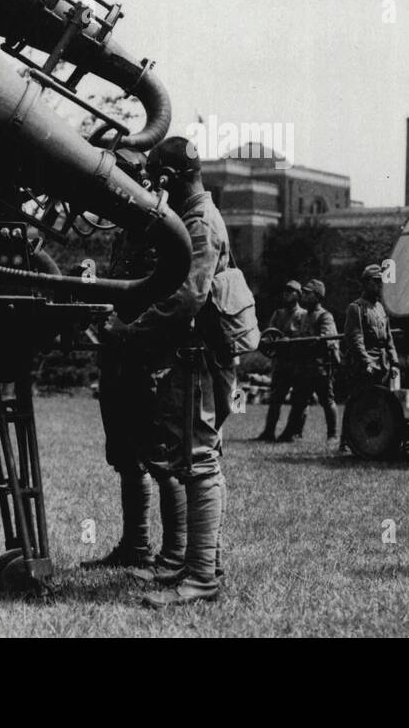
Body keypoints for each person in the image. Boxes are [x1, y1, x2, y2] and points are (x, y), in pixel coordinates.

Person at [106, 136, 257, 608]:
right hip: (188, 356)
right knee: (189, 460)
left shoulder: (198, 224)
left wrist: (129, 331)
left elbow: (187, 299)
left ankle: (202, 579)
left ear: (168, 178)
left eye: (156, 176)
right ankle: (192, 566)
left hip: (194, 359)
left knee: (199, 463)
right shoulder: (192, 219)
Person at [82, 159, 162, 571]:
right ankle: (136, 547)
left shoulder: (158, 230)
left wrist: (124, 325)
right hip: (116, 355)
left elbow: (160, 295)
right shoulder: (126, 234)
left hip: (141, 356)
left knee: (152, 455)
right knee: (125, 456)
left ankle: (157, 552)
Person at [337, 264, 400, 452]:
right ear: (365, 283)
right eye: (376, 282)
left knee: (382, 404)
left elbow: (389, 339)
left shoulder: (381, 308)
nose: (380, 285)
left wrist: (394, 362)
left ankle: (380, 442)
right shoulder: (355, 308)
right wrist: (366, 362)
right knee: (357, 402)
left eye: (381, 282)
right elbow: (355, 339)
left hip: (382, 364)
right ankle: (347, 441)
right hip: (364, 365)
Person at [278, 280, 340, 443]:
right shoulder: (305, 316)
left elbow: (328, 339)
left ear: (318, 296)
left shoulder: (325, 316)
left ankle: (332, 435)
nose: (304, 295)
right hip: (304, 367)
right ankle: (291, 432)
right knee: (298, 401)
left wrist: (310, 341)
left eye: (308, 293)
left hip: (320, 367)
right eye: (304, 292)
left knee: (327, 401)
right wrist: (289, 339)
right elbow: (298, 336)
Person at [254, 280, 306, 442]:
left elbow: (304, 336)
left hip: (297, 363)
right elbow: (269, 334)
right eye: (285, 291)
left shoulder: (303, 315)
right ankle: (269, 432)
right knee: (275, 399)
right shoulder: (278, 314)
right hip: (280, 363)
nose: (287, 294)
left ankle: (293, 432)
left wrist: (289, 339)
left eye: (291, 291)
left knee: (298, 400)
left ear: (299, 295)